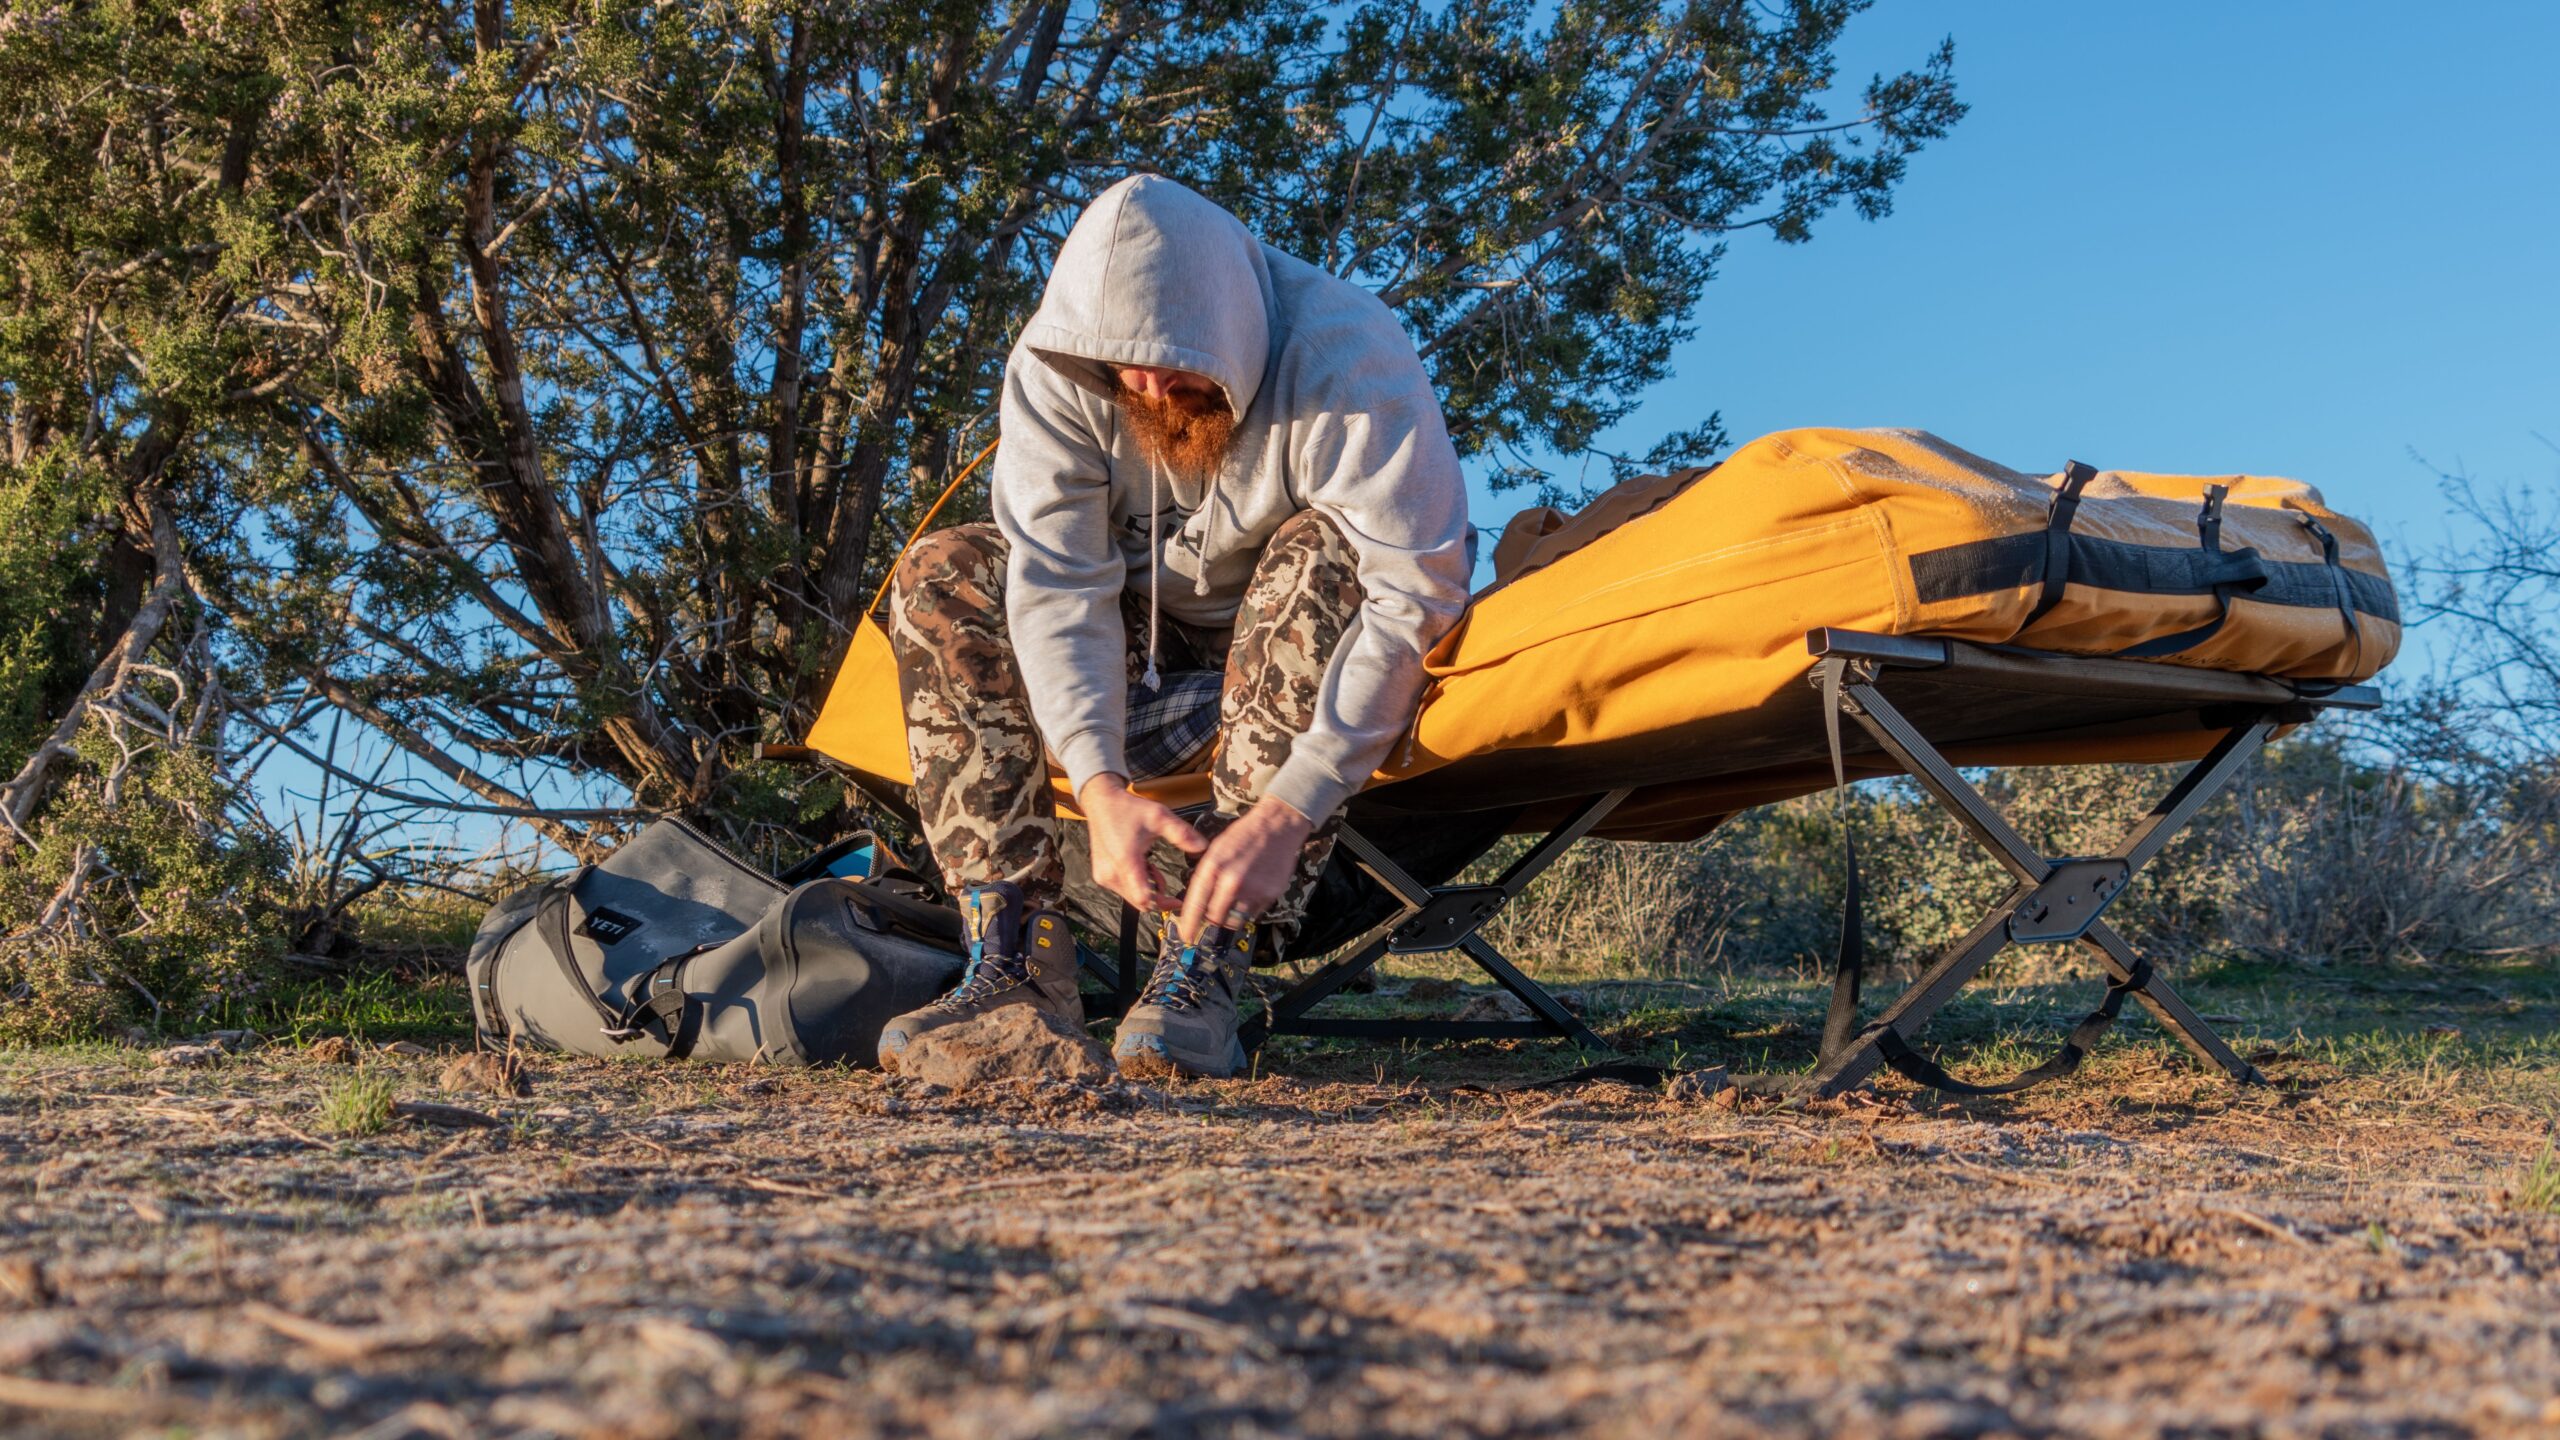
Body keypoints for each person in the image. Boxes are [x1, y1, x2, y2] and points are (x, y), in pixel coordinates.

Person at [874, 174, 1471, 1078]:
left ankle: (1208, 958)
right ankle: (1015, 962)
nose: (1150, 390)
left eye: (1177, 362)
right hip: (1135, 661)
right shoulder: (1056, 369)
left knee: (1323, 546)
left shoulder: (1349, 360)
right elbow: (1058, 582)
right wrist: (1099, 779)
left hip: (1294, 663)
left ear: (1236, 332)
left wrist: (1291, 804)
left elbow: (1415, 594)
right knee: (943, 570)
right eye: (1126, 367)